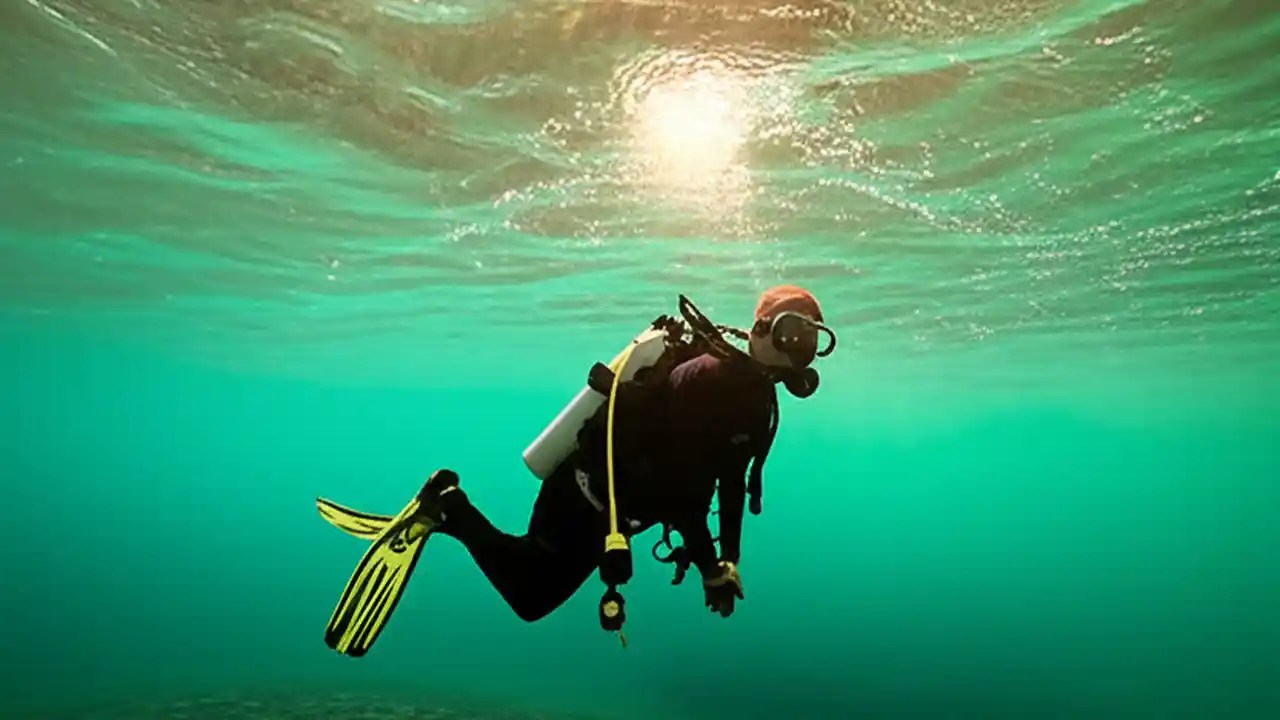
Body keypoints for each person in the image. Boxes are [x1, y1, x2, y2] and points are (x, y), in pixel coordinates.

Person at [317, 285, 837, 656]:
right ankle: (447, 506)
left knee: (532, 587)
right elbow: (684, 495)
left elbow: (727, 480)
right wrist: (707, 568)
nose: (798, 349)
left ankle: (449, 507)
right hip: (583, 495)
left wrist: (729, 559)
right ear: (761, 329)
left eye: (810, 338)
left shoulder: (757, 403)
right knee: (530, 597)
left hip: (611, 509)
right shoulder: (708, 381)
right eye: (791, 332)